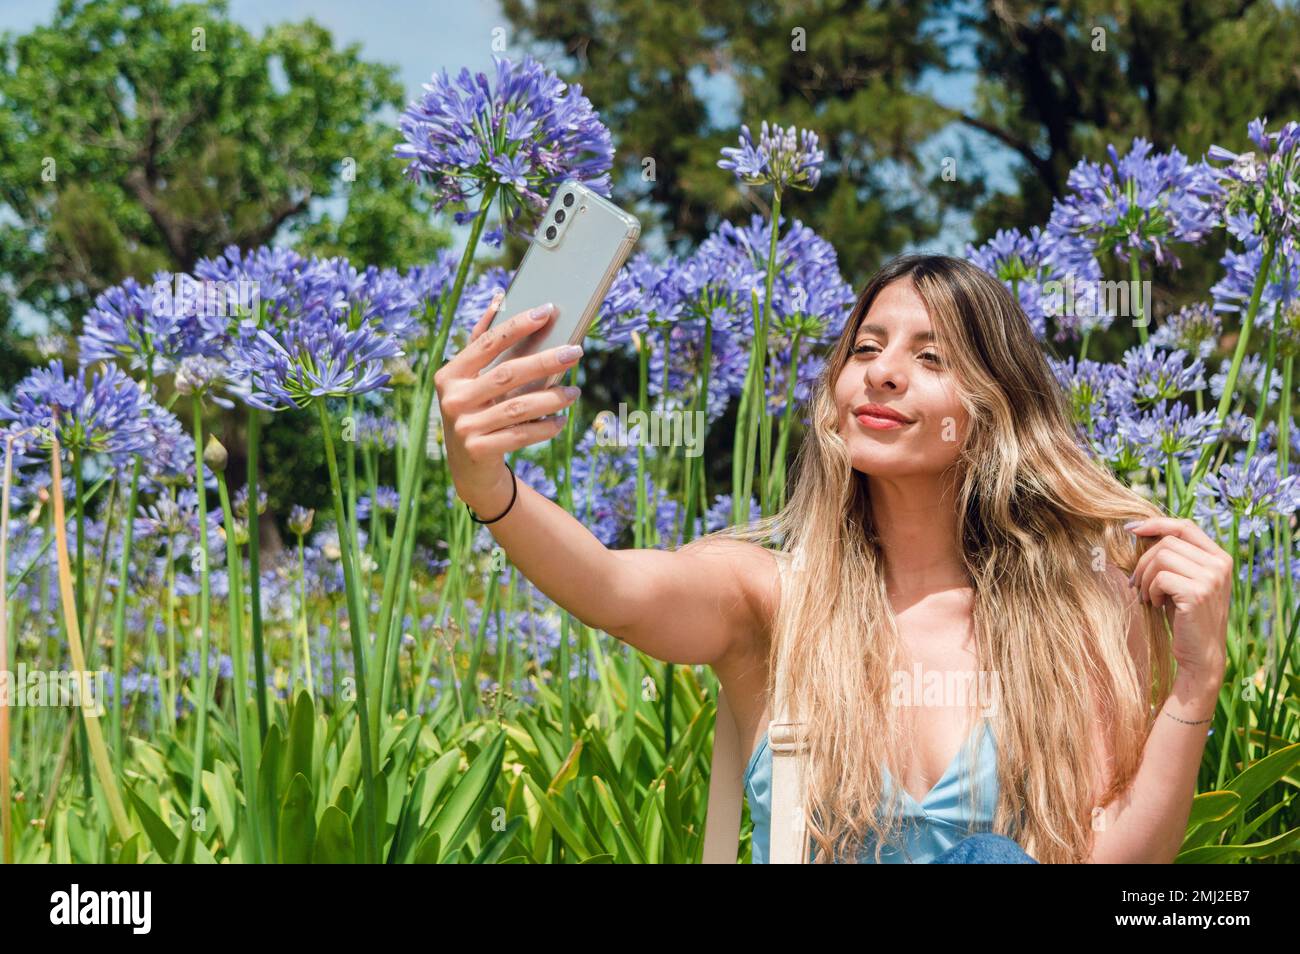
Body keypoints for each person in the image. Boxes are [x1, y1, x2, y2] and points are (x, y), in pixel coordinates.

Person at [434, 253, 1233, 864]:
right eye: (868, 348)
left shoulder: (1077, 611)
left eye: (933, 359)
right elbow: (609, 586)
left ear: (994, 411)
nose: (884, 371)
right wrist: (485, 481)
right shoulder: (773, 600)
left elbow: (1117, 857)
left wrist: (1195, 684)